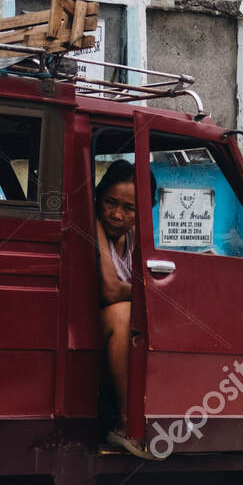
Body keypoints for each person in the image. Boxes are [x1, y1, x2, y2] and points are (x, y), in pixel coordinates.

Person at [94, 160, 157, 459]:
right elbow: (108, 289)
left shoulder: (134, 238)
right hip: (86, 328)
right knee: (122, 312)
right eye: (111, 203)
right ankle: (124, 422)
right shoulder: (93, 226)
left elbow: (151, 283)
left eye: (129, 209)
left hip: (114, 334)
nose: (117, 214)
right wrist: (147, 290)